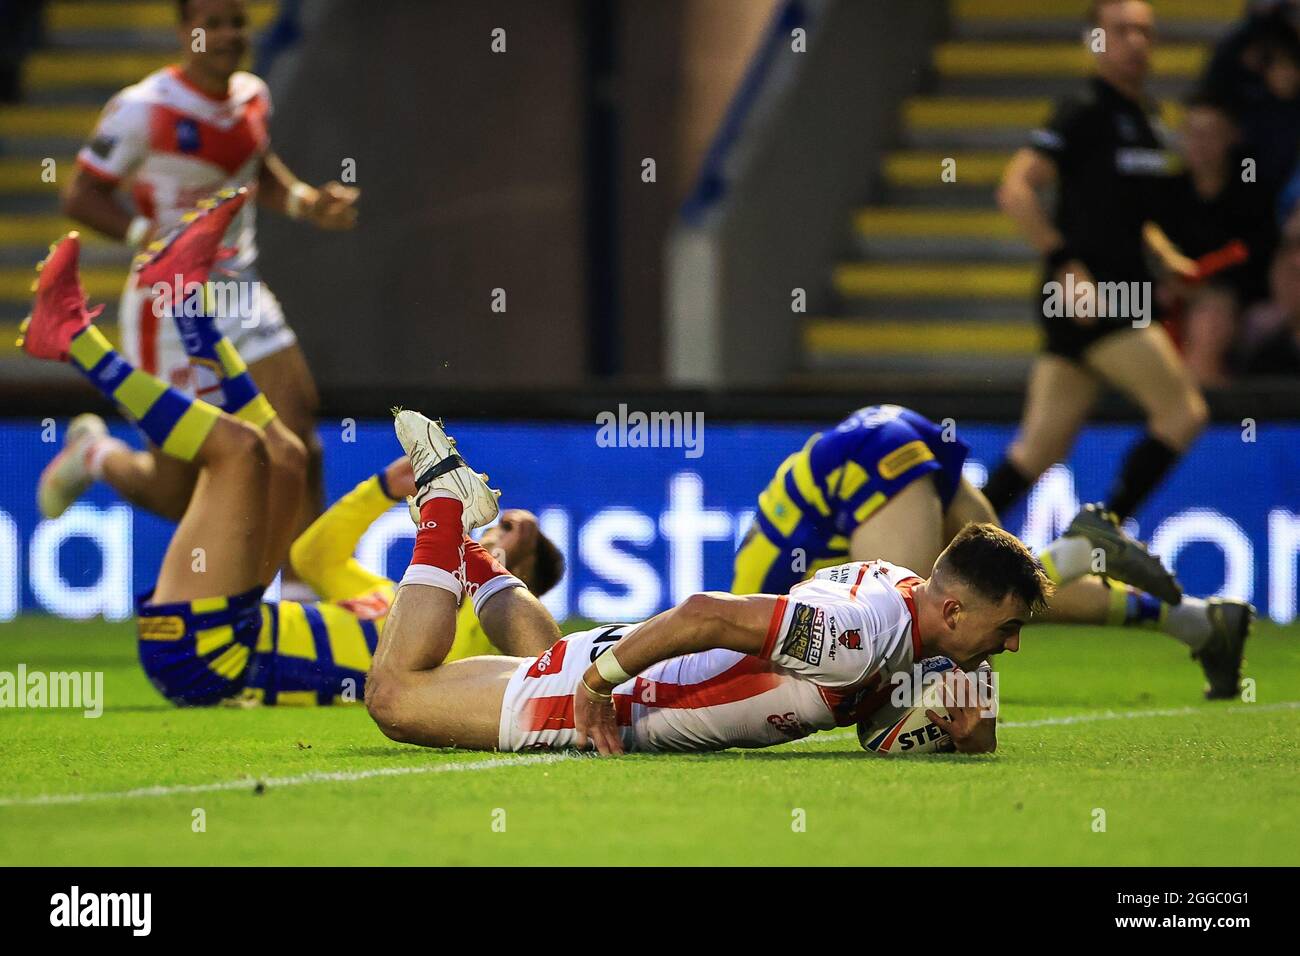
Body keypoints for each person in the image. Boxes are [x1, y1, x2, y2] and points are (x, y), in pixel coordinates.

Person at [18, 190, 556, 707]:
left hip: (213, 656)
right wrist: (379, 491)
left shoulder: (459, 642)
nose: (493, 525)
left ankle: (75, 340)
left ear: (522, 583)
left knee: (238, 449)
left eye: (510, 530)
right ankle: (183, 299)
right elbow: (310, 557)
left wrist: (467, 541)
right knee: (287, 455)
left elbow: (518, 641)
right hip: (237, 623)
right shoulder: (411, 602)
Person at [365, 409, 1055, 756]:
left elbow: (878, 731)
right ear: (958, 609)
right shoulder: (858, 635)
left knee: (536, 660)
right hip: (623, 701)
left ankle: (470, 549)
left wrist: (968, 732)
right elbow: (705, 613)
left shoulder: (908, 605)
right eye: (1009, 628)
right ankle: (444, 505)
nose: (1014, 647)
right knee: (396, 695)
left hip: (624, 668)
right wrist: (596, 686)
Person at [58, 0, 359, 596]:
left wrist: (306, 202)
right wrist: (157, 240)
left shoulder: (252, 95)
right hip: (169, 304)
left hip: (242, 294)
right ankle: (95, 454)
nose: (227, 36)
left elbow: (255, 168)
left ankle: (294, 616)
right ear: (184, 33)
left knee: (301, 444)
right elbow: (81, 196)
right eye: (211, 24)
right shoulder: (144, 110)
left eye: (235, 23)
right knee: (177, 489)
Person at [732, 405, 1253, 700]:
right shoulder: (764, 597)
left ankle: (1079, 551)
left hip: (867, 461)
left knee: (917, 618)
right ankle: (1201, 624)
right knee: (1005, 597)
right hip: (884, 440)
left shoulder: (754, 633)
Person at [984, 0, 1208, 524]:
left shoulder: (1149, 118)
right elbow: (1016, 189)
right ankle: (1099, 536)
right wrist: (1065, 262)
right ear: (1095, 41)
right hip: (1094, 298)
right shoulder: (1082, 110)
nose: (1136, 42)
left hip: (1117, 294)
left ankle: (949, 555)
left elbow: (1132, 216)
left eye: (1146, 32)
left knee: (1036, 453)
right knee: (1183, 412)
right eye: (1121, 31)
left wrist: (1166, 256)